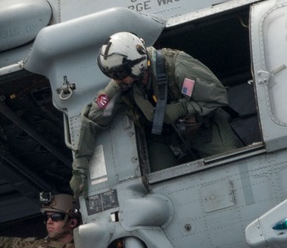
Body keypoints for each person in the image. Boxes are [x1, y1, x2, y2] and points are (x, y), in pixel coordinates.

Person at [71, 32, 239, 196]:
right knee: (162, 190)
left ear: (136, 65)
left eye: (118, 73)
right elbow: (92, 118)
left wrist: (183, 109)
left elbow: (218, 97)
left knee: (232, 173)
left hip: (203, 128)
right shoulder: (123, 84)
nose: (115, 80)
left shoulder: (178, 66)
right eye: (110, 74)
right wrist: (80, 166)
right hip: (164, 138)